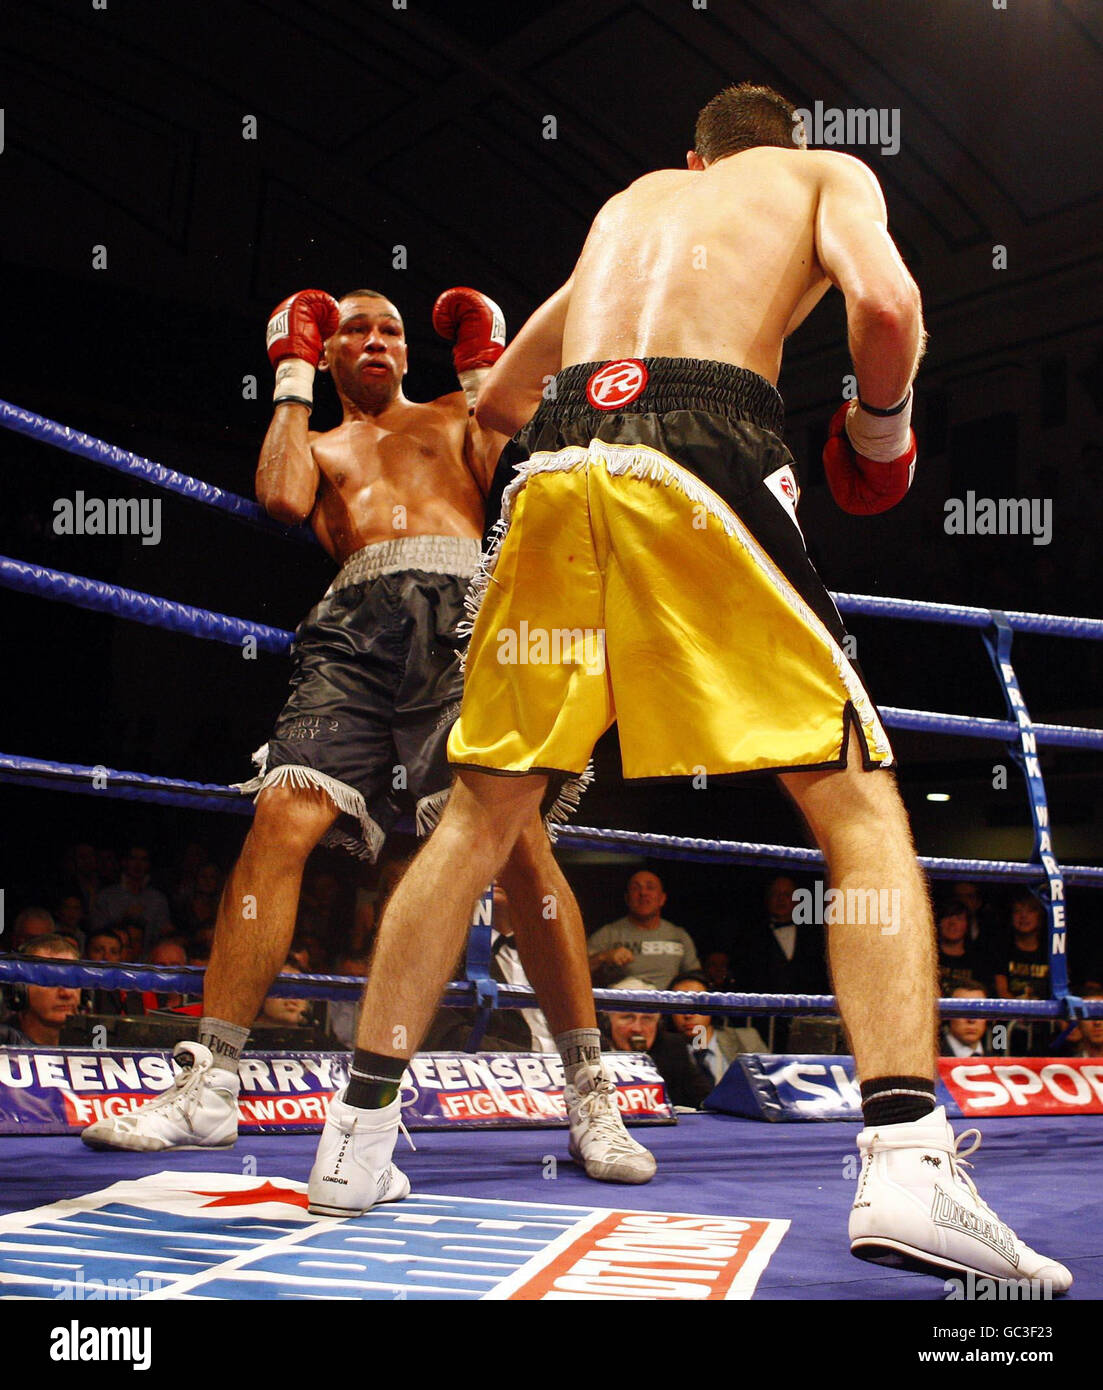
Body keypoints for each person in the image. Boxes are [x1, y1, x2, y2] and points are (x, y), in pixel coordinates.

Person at [305, 81, 1071, 1291]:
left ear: (691, 157)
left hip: (555, 465)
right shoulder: (825, 178)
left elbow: (498, 403)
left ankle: (351, 1141)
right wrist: (881, 431)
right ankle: (910, 1156)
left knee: (477, 818)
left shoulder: (626, 203)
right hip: (700, 444)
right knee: (856, 798)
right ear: (789, 148)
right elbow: (886, 303)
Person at [81, 285, 653, 1185]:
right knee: (280, 819)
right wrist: (290, 369)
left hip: (462, 611)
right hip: (349, 627)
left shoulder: (453, 413)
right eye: (356, 331)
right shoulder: (316, 441)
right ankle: (209, 1085)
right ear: (331, 350)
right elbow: (278, 497)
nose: (379, 340)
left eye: (391, 329)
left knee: (519, 850)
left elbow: (517, 462)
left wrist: (480, 363)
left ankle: (589, 1092)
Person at [602, 979, 709, 1109]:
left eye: (647, 1019)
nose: (637, 1028)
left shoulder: (673, 1048)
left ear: (658, 1023)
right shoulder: (592, 1052)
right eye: (627, 1017)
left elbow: (705, 1099)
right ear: (609, 1021)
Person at [587, 870, 700, 988]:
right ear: (627, 898)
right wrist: (603, 957)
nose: (643, 893)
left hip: (666, 1001)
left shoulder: (679, 935)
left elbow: (695, 975)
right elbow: (576, 970)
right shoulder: (608, 934)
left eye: (650, 887)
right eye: (636, 888)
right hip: (624, 999)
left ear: (662, 898)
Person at [669, 972, 765, 1081]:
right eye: (679, 1006)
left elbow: (770, 1088)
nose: (688, 1014)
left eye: (696, 1004)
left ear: (711, 1006)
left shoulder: (747, 1040)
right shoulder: (666, 1052)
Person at [0, 936, 82, 1046]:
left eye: (73, 981)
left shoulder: (94, 1045)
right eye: (50, 981)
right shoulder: (4, 1042)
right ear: (20, 988)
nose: (66, 993)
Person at [939, 983, 990, 1058]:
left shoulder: (998, 1062)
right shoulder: (928, 1059)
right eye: (963, 1010)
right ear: (947, 1014)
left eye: (979, 1011)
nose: (971, 1020)